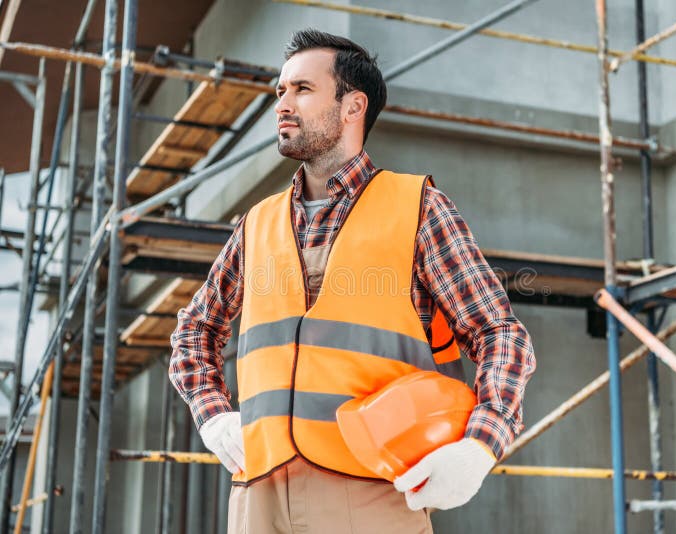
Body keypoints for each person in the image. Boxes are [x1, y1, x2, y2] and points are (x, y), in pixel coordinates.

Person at [169, 28, 536, 534]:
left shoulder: (419, 209)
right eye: (280, 91)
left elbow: (500, 335)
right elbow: (194, 333)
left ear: (352, 106)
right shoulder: (257, 223)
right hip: (259, 495)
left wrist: (480, 446)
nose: (282, 104)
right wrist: (213, 415)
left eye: (302, 89)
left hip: (373, 493)